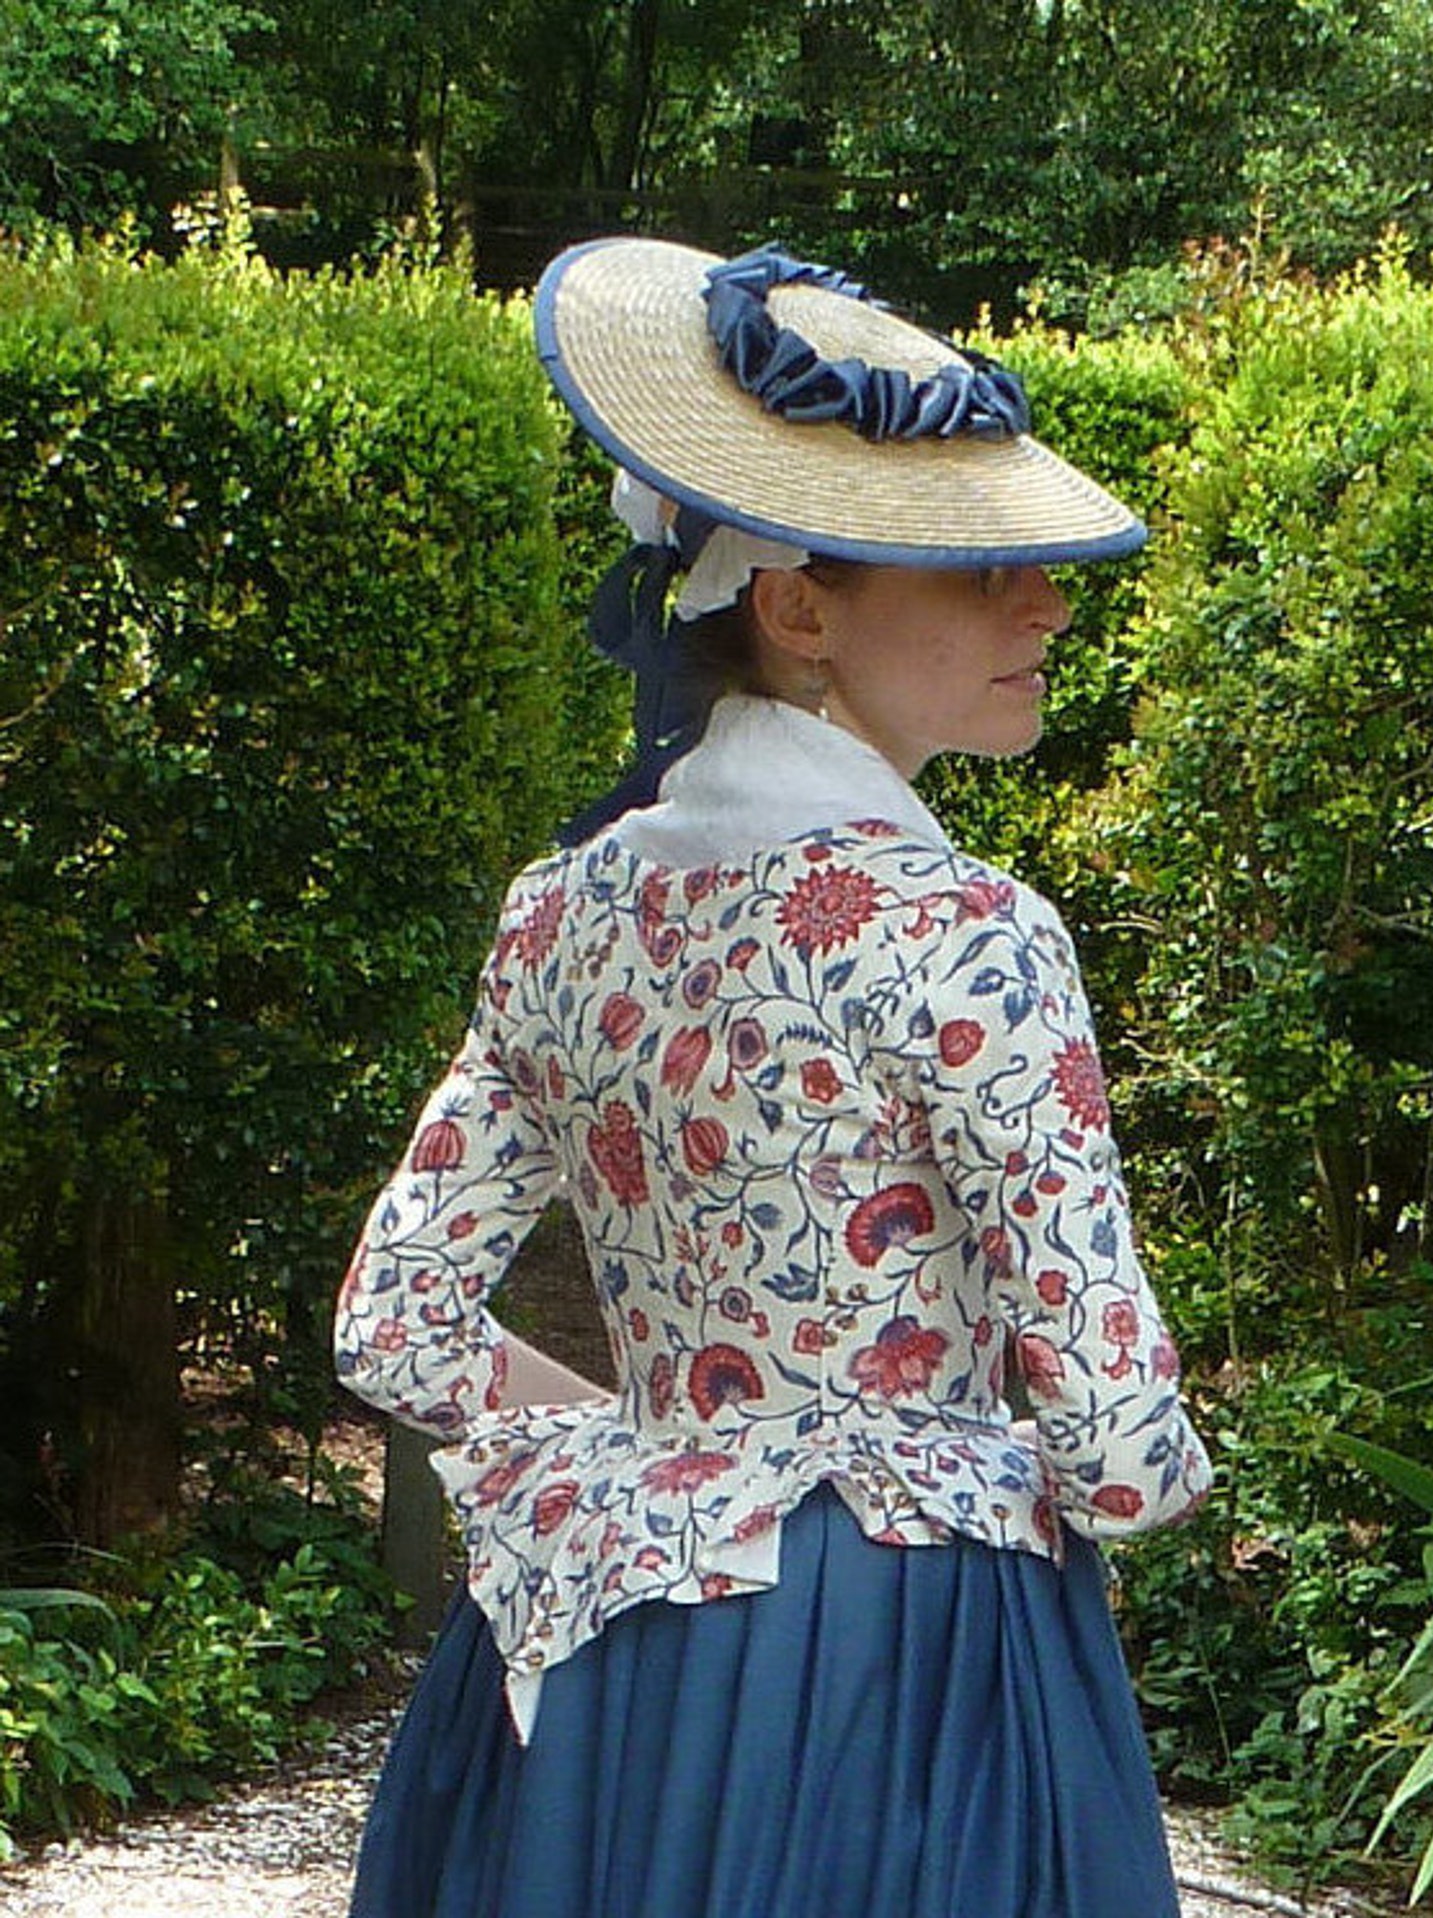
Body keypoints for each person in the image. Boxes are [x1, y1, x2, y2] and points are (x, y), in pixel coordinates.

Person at [335, 236, 1212, 1918]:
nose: (1046, 603)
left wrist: (657, 1452)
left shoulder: (568, 910)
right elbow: (1114, 1446)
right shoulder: (971, 936)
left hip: (606, 1674)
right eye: (971, 570)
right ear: (800, 606)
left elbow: (395, 1324)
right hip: (905, 1681)